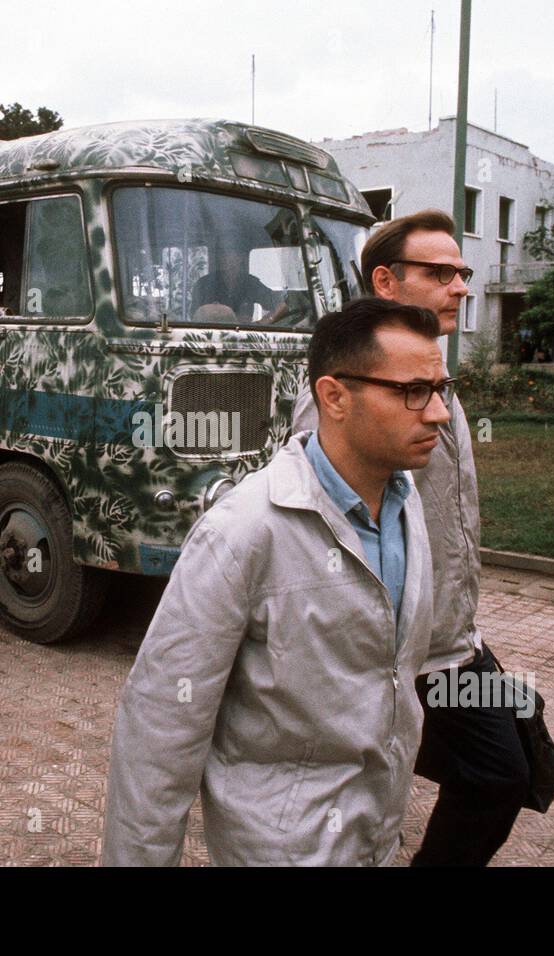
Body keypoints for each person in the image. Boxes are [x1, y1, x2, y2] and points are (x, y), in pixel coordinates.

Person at [103, 297, 448, 866]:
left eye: (442, 389)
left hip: (377, 840)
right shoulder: (244, 531)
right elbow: (160, 725)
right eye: (412, 391)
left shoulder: (405, 505)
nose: (436, 412)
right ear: (334, 396)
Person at [293, 209, 532, 866]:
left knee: (513, 764)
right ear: (386, 282)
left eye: (462, 272)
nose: (460, 286)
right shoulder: (348, 388)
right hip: (396, 646)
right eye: (439, 272)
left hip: (453, 637)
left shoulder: (431, 376)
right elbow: (318, 524)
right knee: (495, 775)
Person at [190, 240, 286, 324]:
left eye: (233, 253)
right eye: (223, 253)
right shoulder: (203, 284)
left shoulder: (251, 283)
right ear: (219, 257)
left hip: (244, 339)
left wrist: (264, 321)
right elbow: (195, 317)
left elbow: (281, 304)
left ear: (241, 257)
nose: (227, 258)